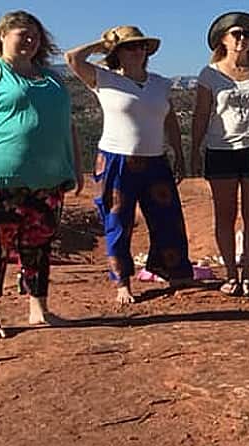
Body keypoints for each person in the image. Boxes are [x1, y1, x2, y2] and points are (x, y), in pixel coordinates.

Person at [0, 11, 81, 338]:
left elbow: (68, 125)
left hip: (48, 179)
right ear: (2, 37)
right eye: (22, 34)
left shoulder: (52, 77)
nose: (30, 40)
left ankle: (39, 307)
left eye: (35, 34)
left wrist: (75, 166)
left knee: (38, 244)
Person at [66, 25, 193, 306]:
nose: (137, 51)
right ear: (117, 52)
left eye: (141, 46)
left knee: (167, 218)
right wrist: (101, 43)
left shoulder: (160, 83)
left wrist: (178, 153)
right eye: (130, 46)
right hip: (116, 159)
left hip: (156, 159)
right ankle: (122, 281)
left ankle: (173, 271)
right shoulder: (103, 78)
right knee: (118, 221)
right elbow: (72, 58)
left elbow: (169, 118)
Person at [190, 11, 249, 298]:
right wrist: (194, 149)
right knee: (224, 215)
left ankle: (248, 275)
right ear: (223, 39)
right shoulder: (209, 74)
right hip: (221, 149)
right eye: (236, 34)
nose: (242, 39)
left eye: (247, 35)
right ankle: (230, 274)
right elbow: (201, 114)